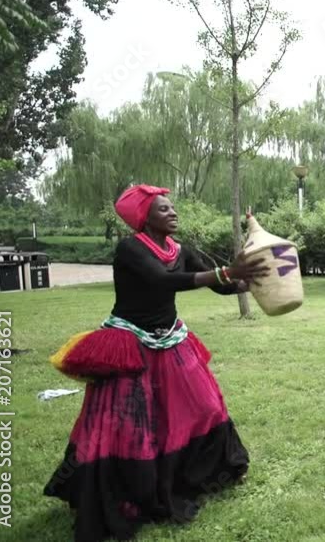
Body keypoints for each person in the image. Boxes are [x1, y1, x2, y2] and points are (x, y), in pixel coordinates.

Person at [44, 185, 268, 541]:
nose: (173, 213)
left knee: (205, 406)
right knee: (130, 425)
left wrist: (250, 281)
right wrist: (225, 272)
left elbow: (220, 285)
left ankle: (199, 474)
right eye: (164, 210)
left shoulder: (182, 250)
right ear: (145, 218)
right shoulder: (131, 248)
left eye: (173, 208)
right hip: (130, 341)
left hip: (171, 339)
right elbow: (162, 281)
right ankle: (133, 491)